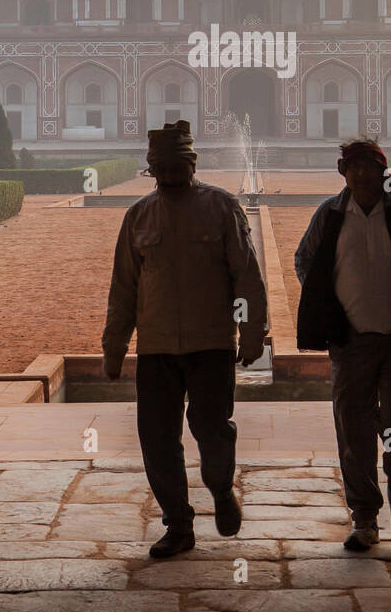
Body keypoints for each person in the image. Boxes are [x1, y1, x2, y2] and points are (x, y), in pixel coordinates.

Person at [102, 120, 267, 558]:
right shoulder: (138, 215)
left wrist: (251, 333)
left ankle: (219, 488)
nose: (171, 174)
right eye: (163, 167)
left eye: (178, 165)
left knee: (211, 428)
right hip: (156, 346)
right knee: (157, 438)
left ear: (191, 164)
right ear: (152, 169)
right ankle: (178, 524)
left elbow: (246, 276)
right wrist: (114, 346)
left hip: (210, 342)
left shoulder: (221, 207)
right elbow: (124, 287)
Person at [295, 138, 391, 551]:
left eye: (368, 167)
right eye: (353, 167)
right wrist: (325, 302)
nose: (361, 175)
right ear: (343, 171)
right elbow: (304, 259)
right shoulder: (332, 213)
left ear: (382, 170)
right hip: (351, 341)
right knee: (354, 429)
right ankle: (364, 516)